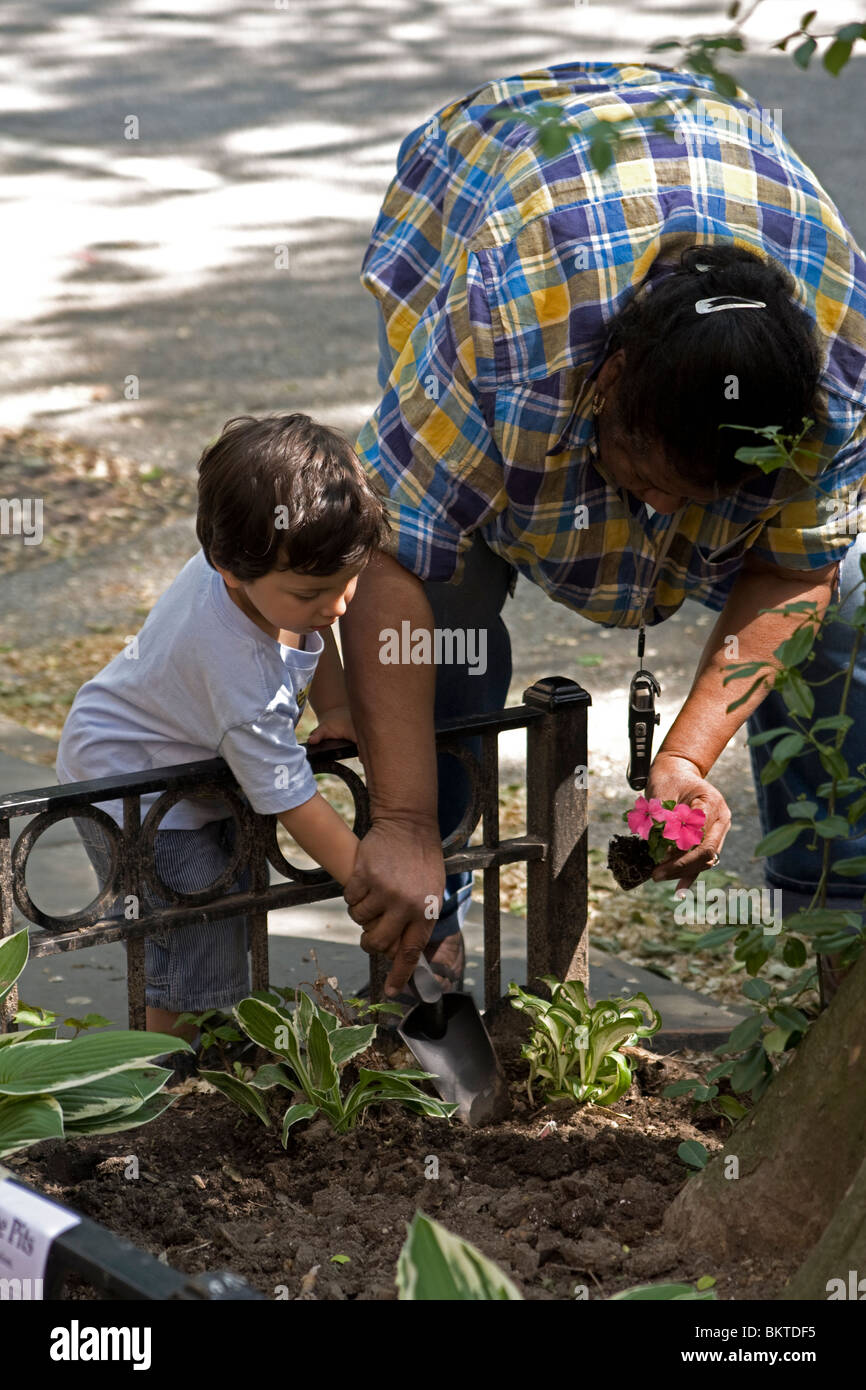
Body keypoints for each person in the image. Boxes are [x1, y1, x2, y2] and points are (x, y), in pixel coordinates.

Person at [340, 58, 866, 1005]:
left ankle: (847, 943)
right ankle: (426, 911)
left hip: (721, 191)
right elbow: (395, 560)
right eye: (651, 479)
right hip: (489, 177)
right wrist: (407, 816)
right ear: (612, 381)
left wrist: (687, 759)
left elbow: (796, 565)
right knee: (450, 595)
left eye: (705, 499)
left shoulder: (836, 361)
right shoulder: (507, 319)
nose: (665, 518)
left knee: (851, 616)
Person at [56, 413, 388, 1050]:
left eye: (349, 581)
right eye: (316, 589)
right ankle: (172, 1081)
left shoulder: (260, 567)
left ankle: (215, 1046)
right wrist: (365, 883)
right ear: (229, 567)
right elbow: (291, 798)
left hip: (190, 762)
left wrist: (337, 709)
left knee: (231, 902)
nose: (339, 605)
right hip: (133, 790)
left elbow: (310, 629)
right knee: (191, 936)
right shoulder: (241, 681)